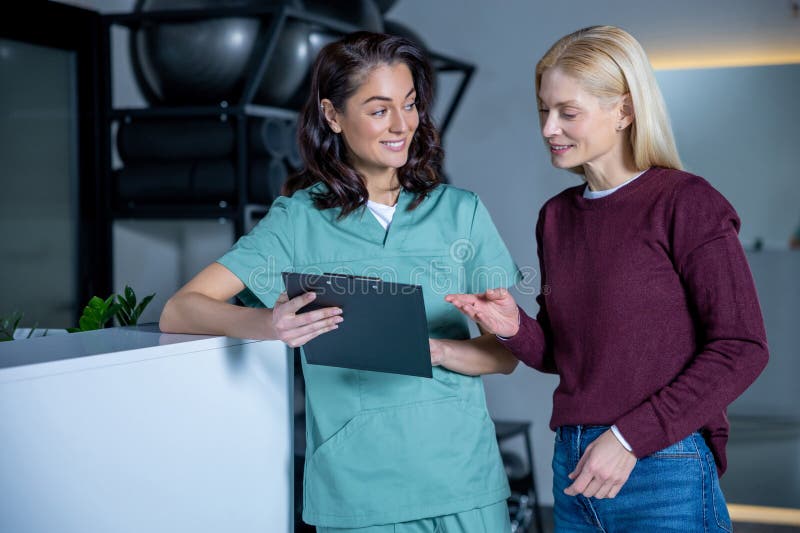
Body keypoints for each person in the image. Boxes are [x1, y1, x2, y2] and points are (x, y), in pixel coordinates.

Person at [160, 31, 522, 532]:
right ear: (333, 115)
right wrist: (269, 323)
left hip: (464, 480)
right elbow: (181, 309)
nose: (402, 125)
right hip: (359, 492)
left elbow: (504, 354)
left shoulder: (462, 213)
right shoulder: (297, 221)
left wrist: (433, 350)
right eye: (379, 110)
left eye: (410, 104)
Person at [445, 25, 769, 532]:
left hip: (662, 466)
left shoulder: (687, 203)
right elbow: (564, 354)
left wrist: (628, 439)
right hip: (573, 465)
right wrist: (512, 326)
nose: (549, 128)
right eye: (543, 111)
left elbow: (742, 346)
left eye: (567, 113)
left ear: (624, 111)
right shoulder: (556, 217)